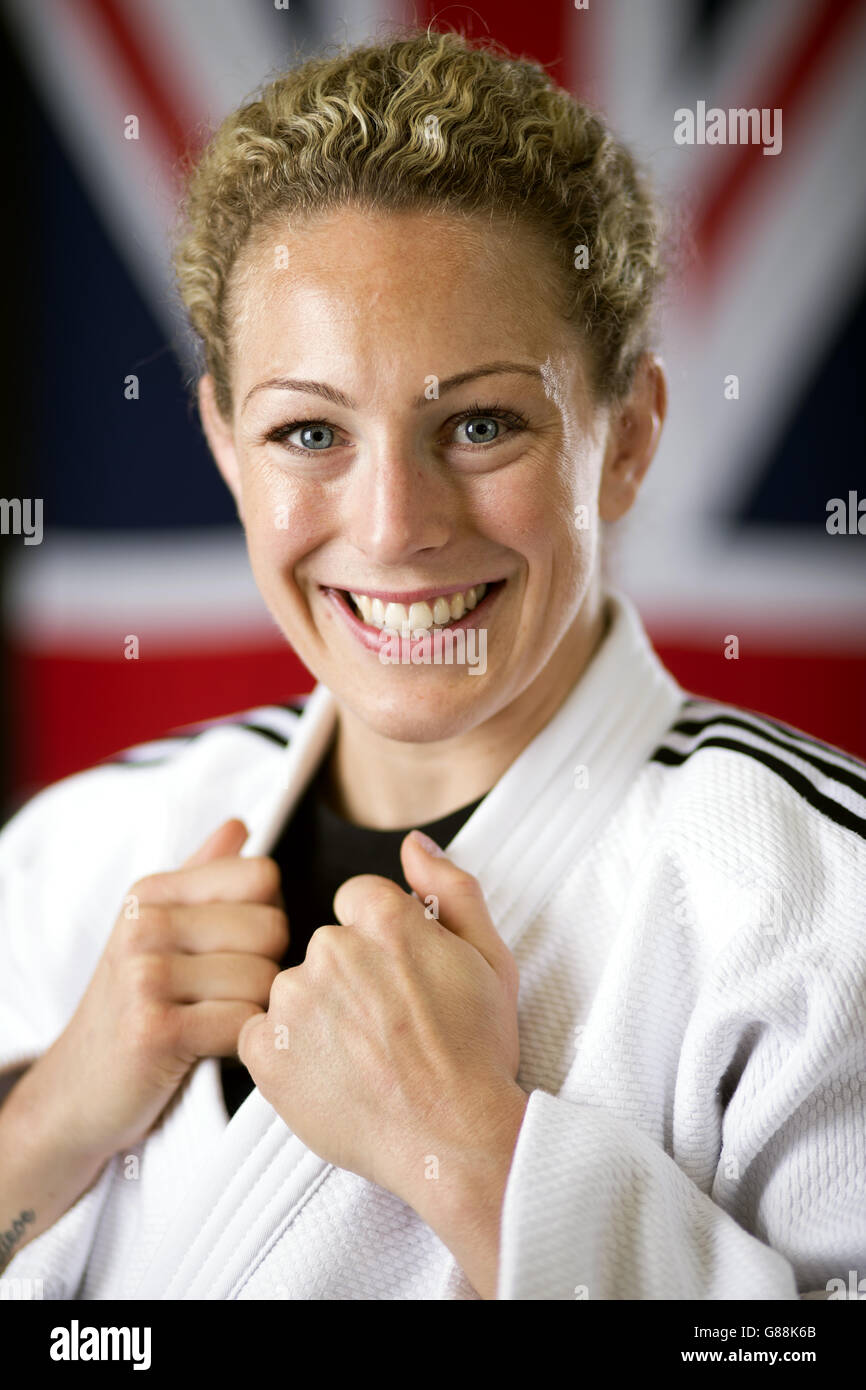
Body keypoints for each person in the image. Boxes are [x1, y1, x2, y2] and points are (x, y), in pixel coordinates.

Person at [0, 27, 863, 1302]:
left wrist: (474, 1153)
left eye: (480, 422)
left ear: (626, 438)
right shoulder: (69, 858)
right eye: (308, 431)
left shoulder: (817, 906)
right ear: (225, 445)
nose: (395, 525)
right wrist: (54, 1113)